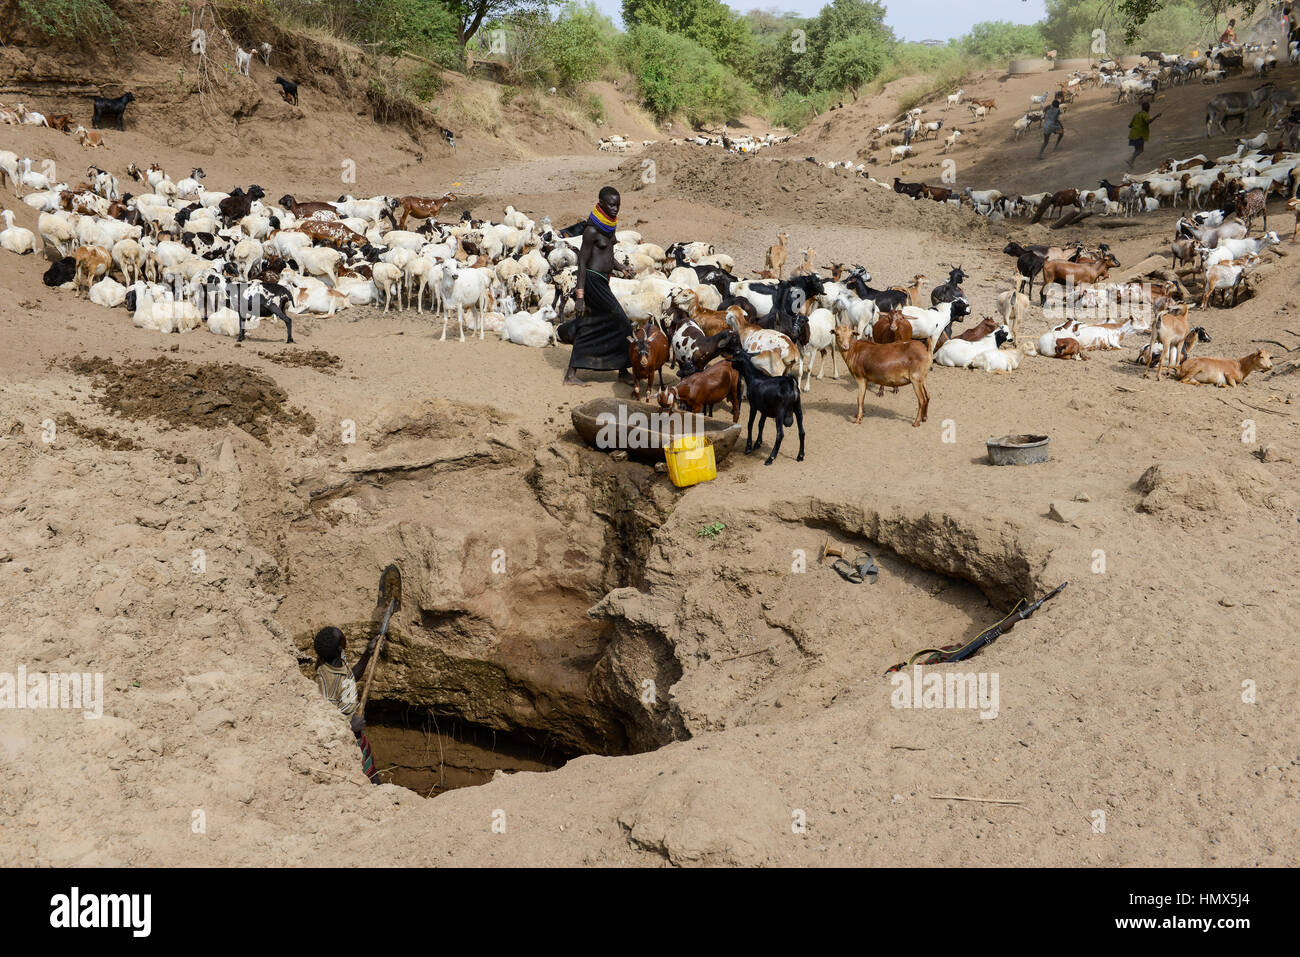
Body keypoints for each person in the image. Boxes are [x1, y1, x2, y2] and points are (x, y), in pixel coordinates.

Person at [563, 186, 634, 387]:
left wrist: (621, 268)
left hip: (603, 279)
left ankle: (571, 374)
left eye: (618, 205)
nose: (615, 209)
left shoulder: (609, 227)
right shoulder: (591, 230)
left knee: (589, 324)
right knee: (622, 322)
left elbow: (608, 256)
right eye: (612, 204)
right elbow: (582, 264)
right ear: (601, 203)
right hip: (592, 281)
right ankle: (622, 369)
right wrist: (579, 297)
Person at [313, 626, 381, 783]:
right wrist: (350, 726)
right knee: (366, 781)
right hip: (347, 739)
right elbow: (326, 719)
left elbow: (351, 677)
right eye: (341, 636)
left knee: (372, 775)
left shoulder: (338, 660)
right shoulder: (325, 679)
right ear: (339, 647)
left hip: (357, 734)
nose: (344, 636)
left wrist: (368, 653)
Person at [1126, 100, 1161, 169]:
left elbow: (1130, 125)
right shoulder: (1145, 114)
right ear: (1148, 108)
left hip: (1132, 134)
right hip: (1139, 135)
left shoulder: (1136, 115)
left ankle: (1131, 162)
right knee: (1140, 150)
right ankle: (1130, 159)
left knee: (1137, 150)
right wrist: (1156, 116)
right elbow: (1148, 121)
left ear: (1142, 108)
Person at [1039, 94, 1065, 158]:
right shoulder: (1057, 110)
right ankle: (1056, 146)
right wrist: (1061, 125)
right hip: (1052, 126)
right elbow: (1056, 120)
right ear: (1058, 106)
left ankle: (1040, 154)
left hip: (1045, 126)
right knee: (1061, 133)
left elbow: (1044, 112)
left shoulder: (1048, 109)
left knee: (1046, 142)